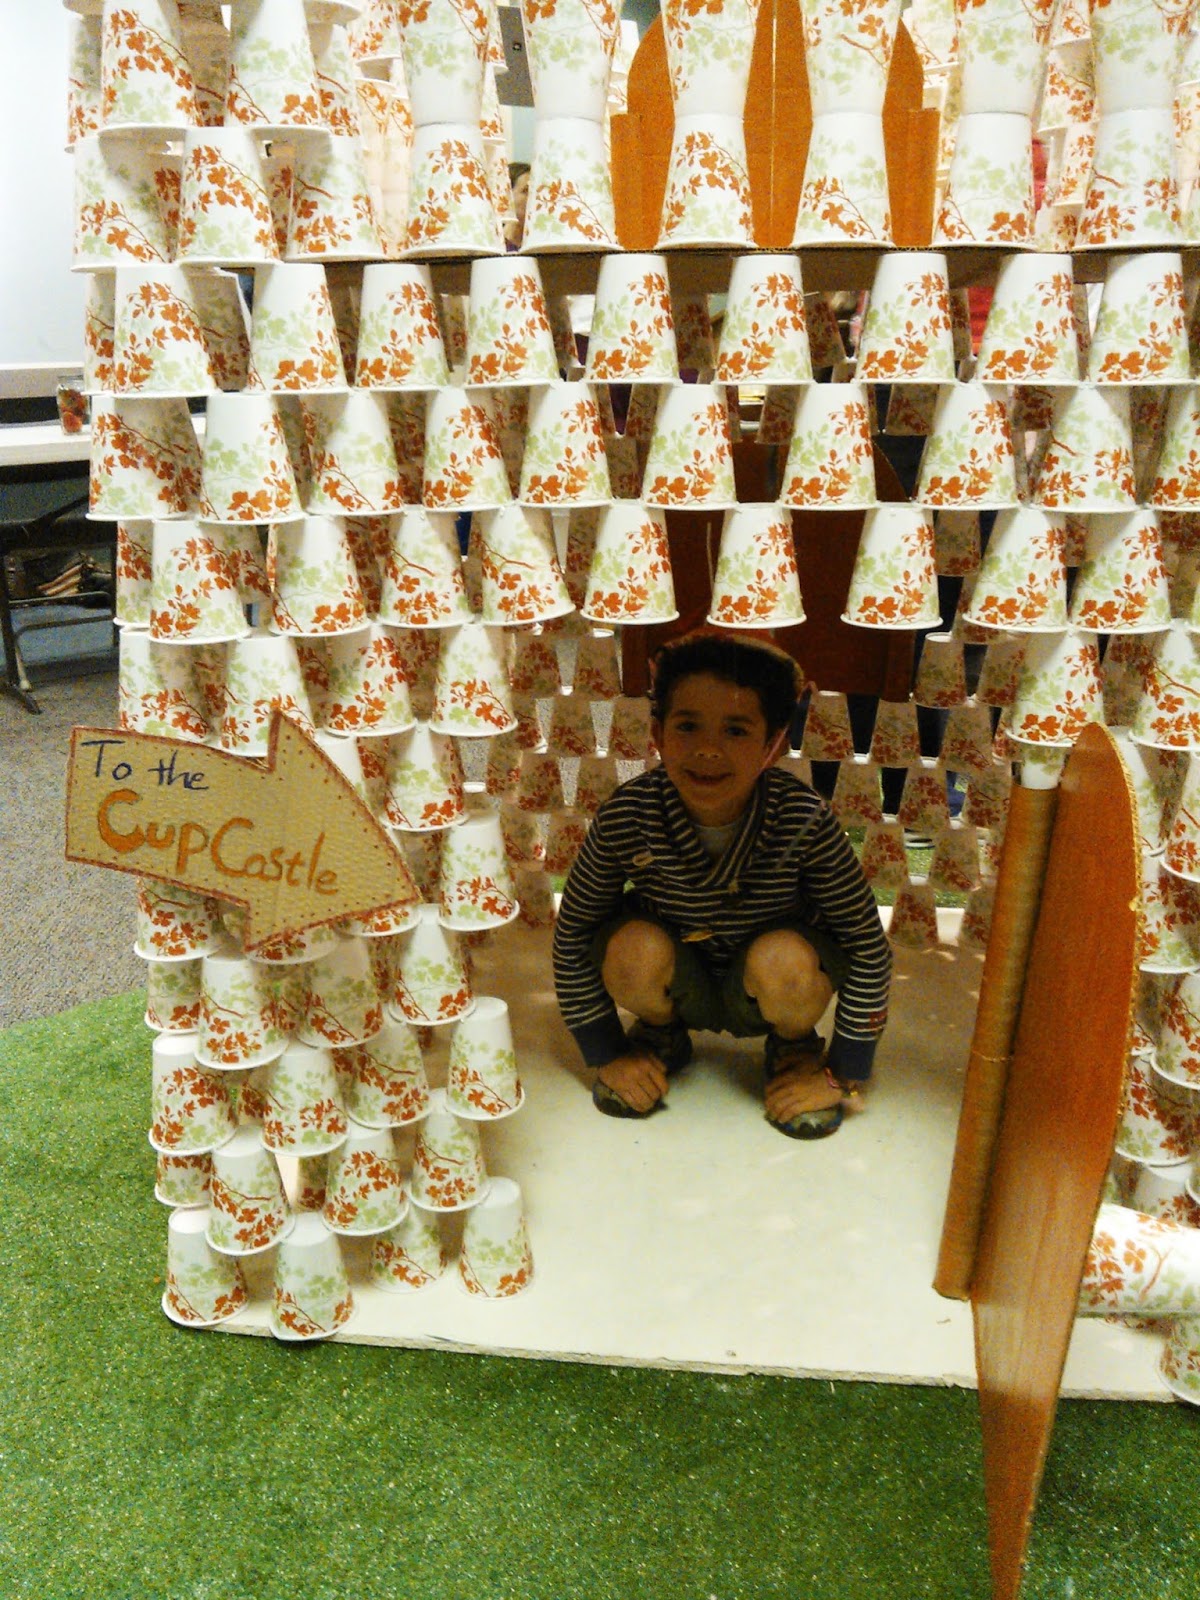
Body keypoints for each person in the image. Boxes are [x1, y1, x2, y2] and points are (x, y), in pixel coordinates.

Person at [552, 631, 892, 1139]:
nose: (708, 750)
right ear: (658, 733)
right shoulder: (626, 814)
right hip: (673, 976)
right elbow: (574, 932)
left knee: (784, 960)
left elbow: (867, 946)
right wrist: (606, 1052)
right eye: (688, 726)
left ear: (773, 744)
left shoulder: (805, 820)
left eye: (736, 730)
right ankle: (659, 1035)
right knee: (630, 949)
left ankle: (795, 1047)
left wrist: (841, 1073)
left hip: (771, 982)